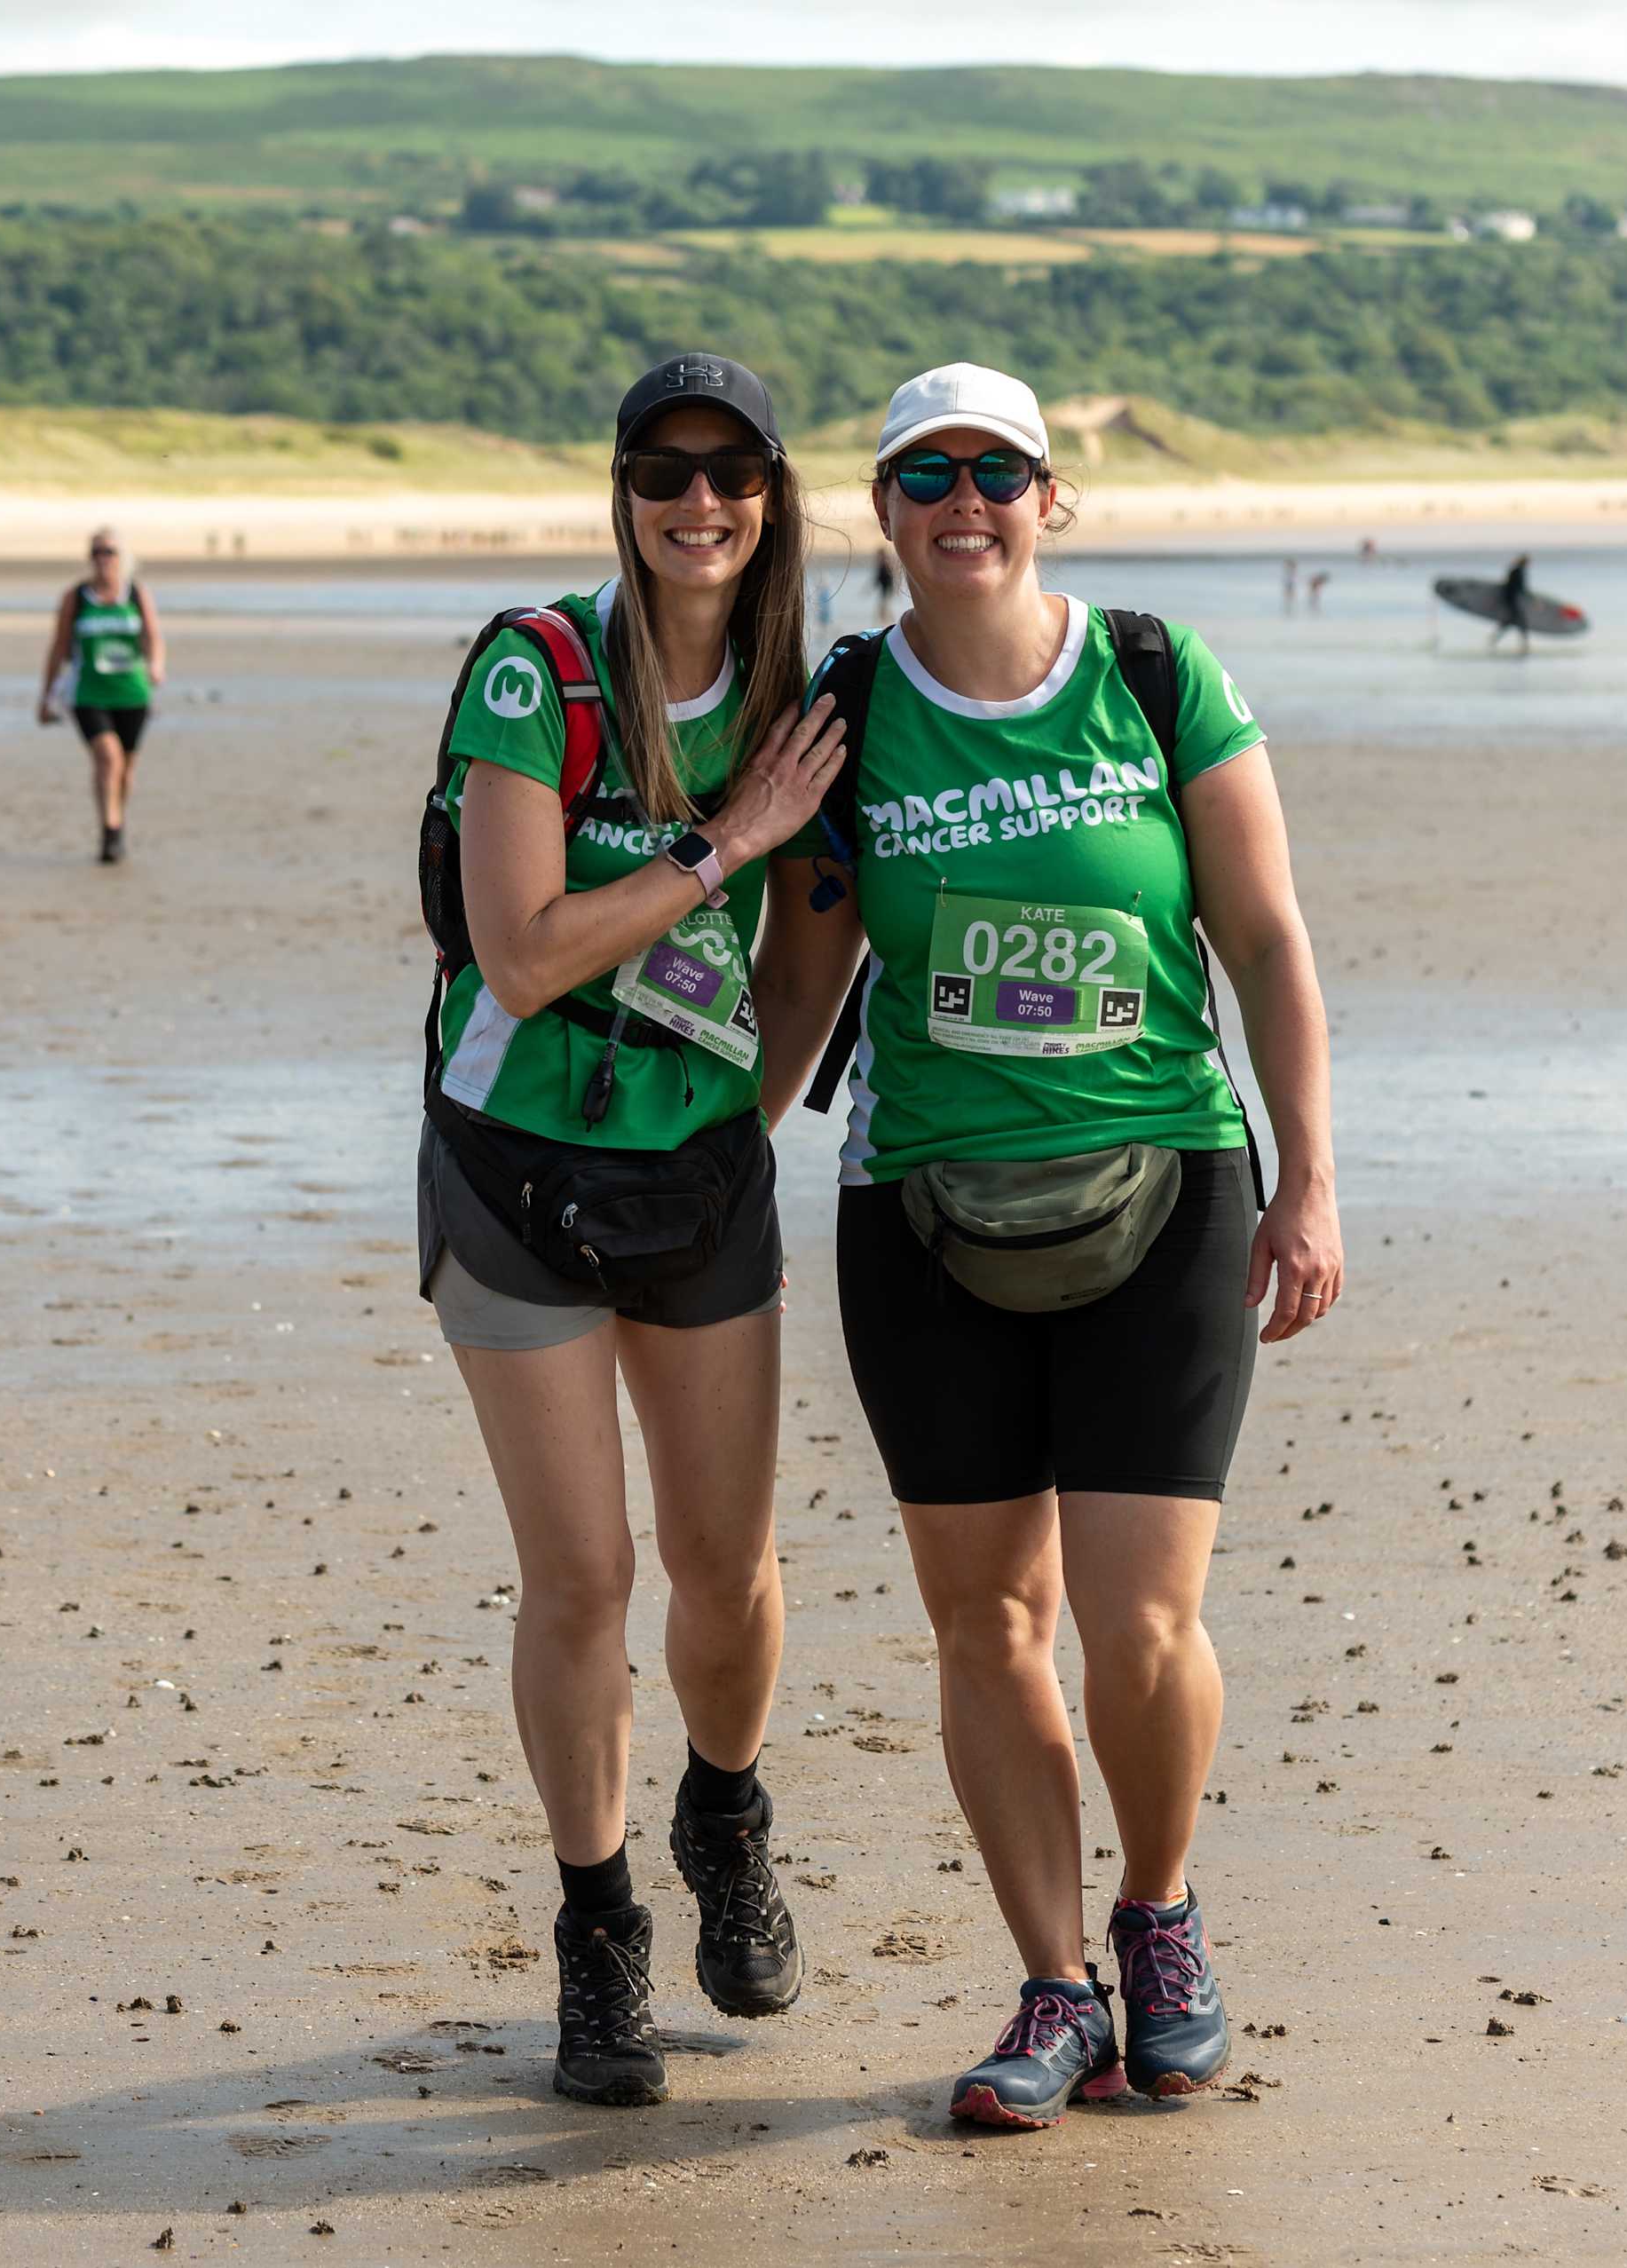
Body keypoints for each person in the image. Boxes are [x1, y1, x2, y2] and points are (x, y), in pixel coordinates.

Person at [750, 363, 1342, 2131]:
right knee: (986, 1615)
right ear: (881, 511)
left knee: (1143, 1617)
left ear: (1049, 497)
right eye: (922, 474)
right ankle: (1054, 1982)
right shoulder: (844, 710)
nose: (962, 501)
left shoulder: (1158, 678)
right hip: (919, 1210)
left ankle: (1160, 1917)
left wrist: (1309, 1178)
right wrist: (709, 1160)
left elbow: (1268, 937)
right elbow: (798, 972)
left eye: (995, 471)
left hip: (1167, 1189)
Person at [418, 354, 846, 2110]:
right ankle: (600, 1927)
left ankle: (724, 1804)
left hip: (695, 1181)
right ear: (623, 488)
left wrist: (728, 1133)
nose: (698, 503)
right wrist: (716, 840)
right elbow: (516, 949)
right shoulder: (537, 667)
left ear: (771, 498)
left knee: (725, 1573)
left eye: (731, 473)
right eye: (666, 471)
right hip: (508, 1163)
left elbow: (813, 953)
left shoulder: (809, 698)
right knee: (583, 1575)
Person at [36, 529, 163, 865]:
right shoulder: (76, 597)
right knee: (107, 756)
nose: (103, 559)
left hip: (132, 692)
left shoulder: (136, 594)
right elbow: (59, 648)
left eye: (110, 552)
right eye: (97, 552)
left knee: (126, 768)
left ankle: (118, 818)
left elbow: (152, 637)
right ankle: (109, 829)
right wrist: (46, 694)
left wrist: (156, 667)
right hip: (89, 693)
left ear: (122, 558)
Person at [1494, 552, 1534, 655]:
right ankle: (1525, 646)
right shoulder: (1518, 572)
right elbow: (1520, 589)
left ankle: (1493, 640)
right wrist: (1533, 599)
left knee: (1510, 621)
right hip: (1512, 600)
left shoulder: (1515, 571)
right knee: (1521, 621)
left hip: (1511, 600)